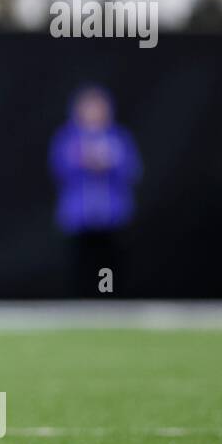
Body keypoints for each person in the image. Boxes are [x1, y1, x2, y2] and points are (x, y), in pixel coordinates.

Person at [48, 85, 142, 297]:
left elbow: (132, 169)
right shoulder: (69, 138)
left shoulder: (118, 138)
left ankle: (111, 301)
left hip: (112, 218)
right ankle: (82, 302)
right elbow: (59, 167)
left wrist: (109, 162)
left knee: (111, 262)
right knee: (82, 264)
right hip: (80, 219)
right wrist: (85, 160)